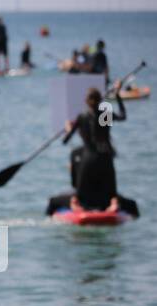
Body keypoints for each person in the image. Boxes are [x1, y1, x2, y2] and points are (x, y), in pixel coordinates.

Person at [52, 85, 135, 215]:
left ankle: (77, 204)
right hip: (106, 159)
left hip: (87, 160)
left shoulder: (82, 116)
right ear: (100, 100)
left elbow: (65, 141)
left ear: (86, 101)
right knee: (112, 195)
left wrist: (69, 128)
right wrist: (118, 94)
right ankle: (112, 204)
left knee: (79, 196)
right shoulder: (105, 115)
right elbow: (123, 116)